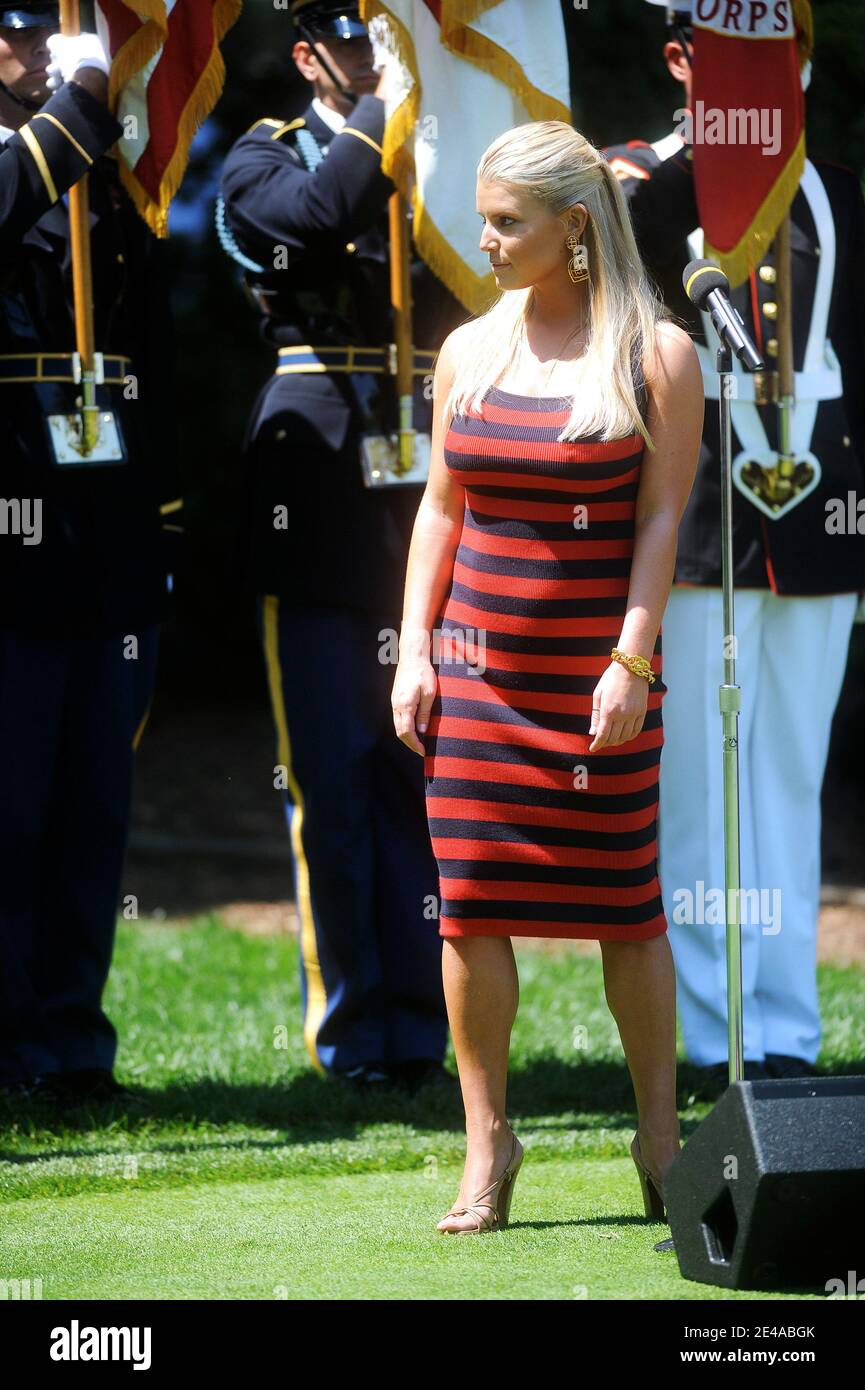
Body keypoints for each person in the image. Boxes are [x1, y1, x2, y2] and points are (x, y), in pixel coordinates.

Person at [391, 118, 703, 1232]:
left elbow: (661, 519)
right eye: (485, 217)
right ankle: (488, 1148)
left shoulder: (657, 353)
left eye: (507, 222)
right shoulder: (469, 350)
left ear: (576, 228)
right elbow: (440, 507)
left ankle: (661, 1138)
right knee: (468, 908)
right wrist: (416, 648)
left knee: (628, 909)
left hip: (599, 676)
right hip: (478, 679)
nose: (485, 239)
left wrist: (631, 657)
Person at [604, 1, 865, 1092]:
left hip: (819, 530)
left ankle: (785, 1030)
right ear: (682, 59)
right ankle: (712, 1038)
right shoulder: (637, 187)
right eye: (743, 56)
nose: (777, 74)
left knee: (788, 779)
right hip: (700, 528)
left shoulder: (840, 190)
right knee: (696, 790)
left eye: (789, 52)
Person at [219, 0, 466, 1089]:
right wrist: (391, 102)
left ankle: (423, 1022)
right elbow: (320, 215)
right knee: (330, 774)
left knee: (421, 772)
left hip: (426, 484)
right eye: (363, 43)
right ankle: (353, 1027)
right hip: (317, 495)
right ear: (311, 52)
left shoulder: (445, 149)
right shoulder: (261, 156)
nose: (382, 61)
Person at [0, 4, 180, 1105]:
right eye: (14, 30)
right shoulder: (43, 157)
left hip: (105, 524)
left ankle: (73, 1039)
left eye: (45, 30)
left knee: (89, 804)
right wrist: (80, 105)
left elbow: (147, 346)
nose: (36, 48)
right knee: (10, 804)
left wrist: (161, 518)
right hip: (11, 525)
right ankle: (8, 1042)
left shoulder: (98, 172)